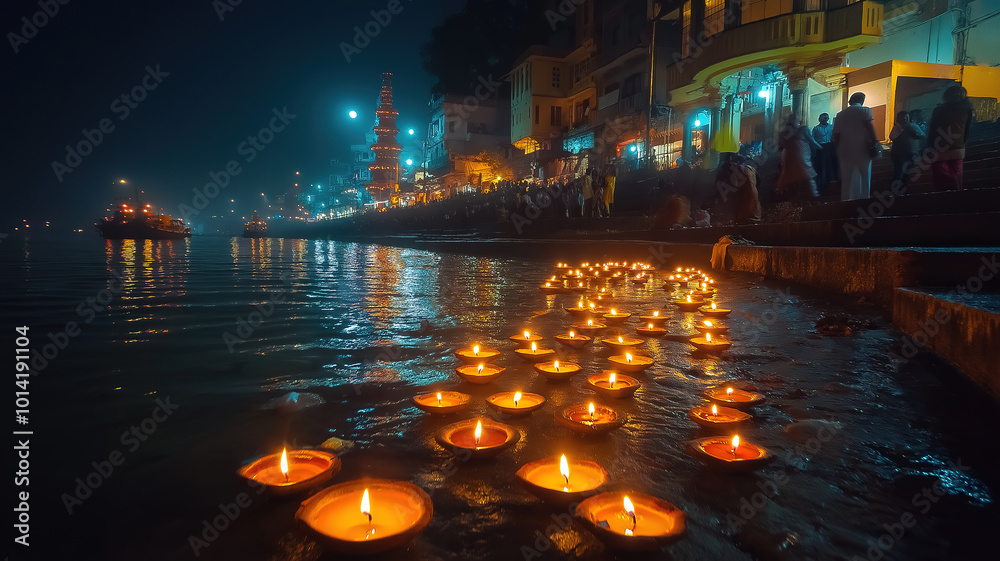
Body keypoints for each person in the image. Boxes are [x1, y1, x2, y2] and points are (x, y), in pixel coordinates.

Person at [833, 92, 879, 201]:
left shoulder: (840, 114)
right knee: (864, 173)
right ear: (862, 100)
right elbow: (869, 126)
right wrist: (874, 140)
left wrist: (840, 147)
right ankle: (864, 197)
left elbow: (836, 134)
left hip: (845, 148)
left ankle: (847, 198)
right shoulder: (865, 110)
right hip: (862, 146)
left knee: (847, 175)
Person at [927, 85, 974, 191]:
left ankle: (944, 200)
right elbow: (967, 130)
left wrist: (930, 147)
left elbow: (933, 130)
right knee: (956, 177)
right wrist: (963, 143)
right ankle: (955, 199)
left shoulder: (939, 110)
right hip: (956, 147)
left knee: (941, 178)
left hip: (941, 148)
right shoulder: (967, 110)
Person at [777, 114, 821, 201]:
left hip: (788, 155)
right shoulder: (803, 129)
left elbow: (780, 145)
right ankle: (814, 196)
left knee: (790, 175)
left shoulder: (783, 132)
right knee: (807, 174)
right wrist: (820, 147)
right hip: (801, 153)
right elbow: (811, 140)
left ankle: (792, 198)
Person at [889, 110, 924, 190]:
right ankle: (893, 192)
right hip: (899, 155)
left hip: (912, 154)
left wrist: (911, 129)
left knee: (906, 175)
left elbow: (922, 135)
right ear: (898, 119)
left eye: (906, 117)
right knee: (899, 174)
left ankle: (903, 192)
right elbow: (892, 137)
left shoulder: (914, 126)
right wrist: (901, 129)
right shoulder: (897, 128)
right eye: (902, 117)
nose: (904, 119)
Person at [811, 113, 836, 192]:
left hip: (830, 146)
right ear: (820, 119)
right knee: (821, 167)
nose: (825, 119)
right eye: (823, 118)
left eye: (826, 118)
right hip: (820, 148)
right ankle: (820, 185)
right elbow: (812, 139)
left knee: (830, 165)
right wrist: (817, 147)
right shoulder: (816, 129)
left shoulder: (831, 127)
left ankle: (829, 184)